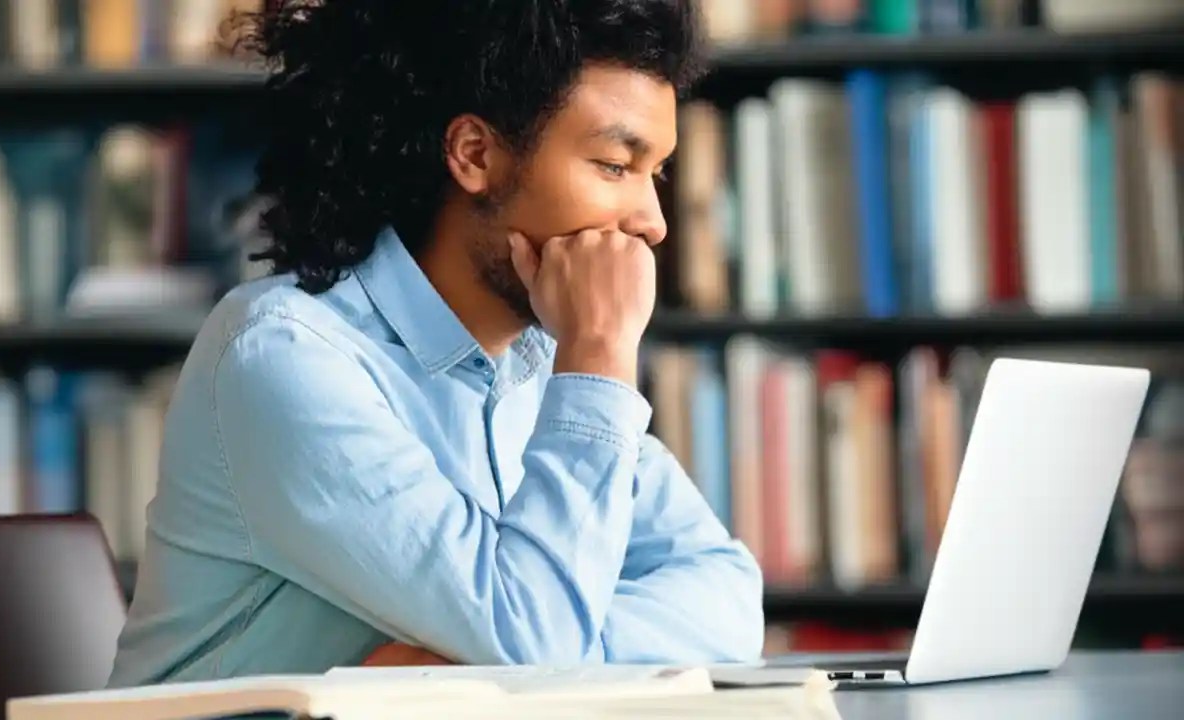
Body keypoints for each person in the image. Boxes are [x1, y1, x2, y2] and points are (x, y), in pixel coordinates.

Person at [107, 0, 763, 686]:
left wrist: (468, 666)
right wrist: (600, 353)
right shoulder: (284, 357)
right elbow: (532, 640)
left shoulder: (538, 369)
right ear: (475, 154)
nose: (653, 222)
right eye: (613, 165)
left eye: (655, 173)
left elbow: (728, 595)